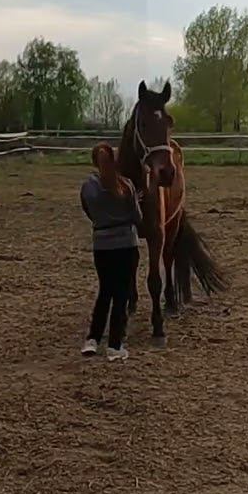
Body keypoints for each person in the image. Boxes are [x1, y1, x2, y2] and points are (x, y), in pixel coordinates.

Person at [80, 143, 141, 361]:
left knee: (105, 292)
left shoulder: (89, 187)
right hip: (126, 244)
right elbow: (138, 217)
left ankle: (92, 339)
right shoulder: (126, 185)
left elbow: (88, 210)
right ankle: (115, 345)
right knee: (121, 295)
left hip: (102, 245)